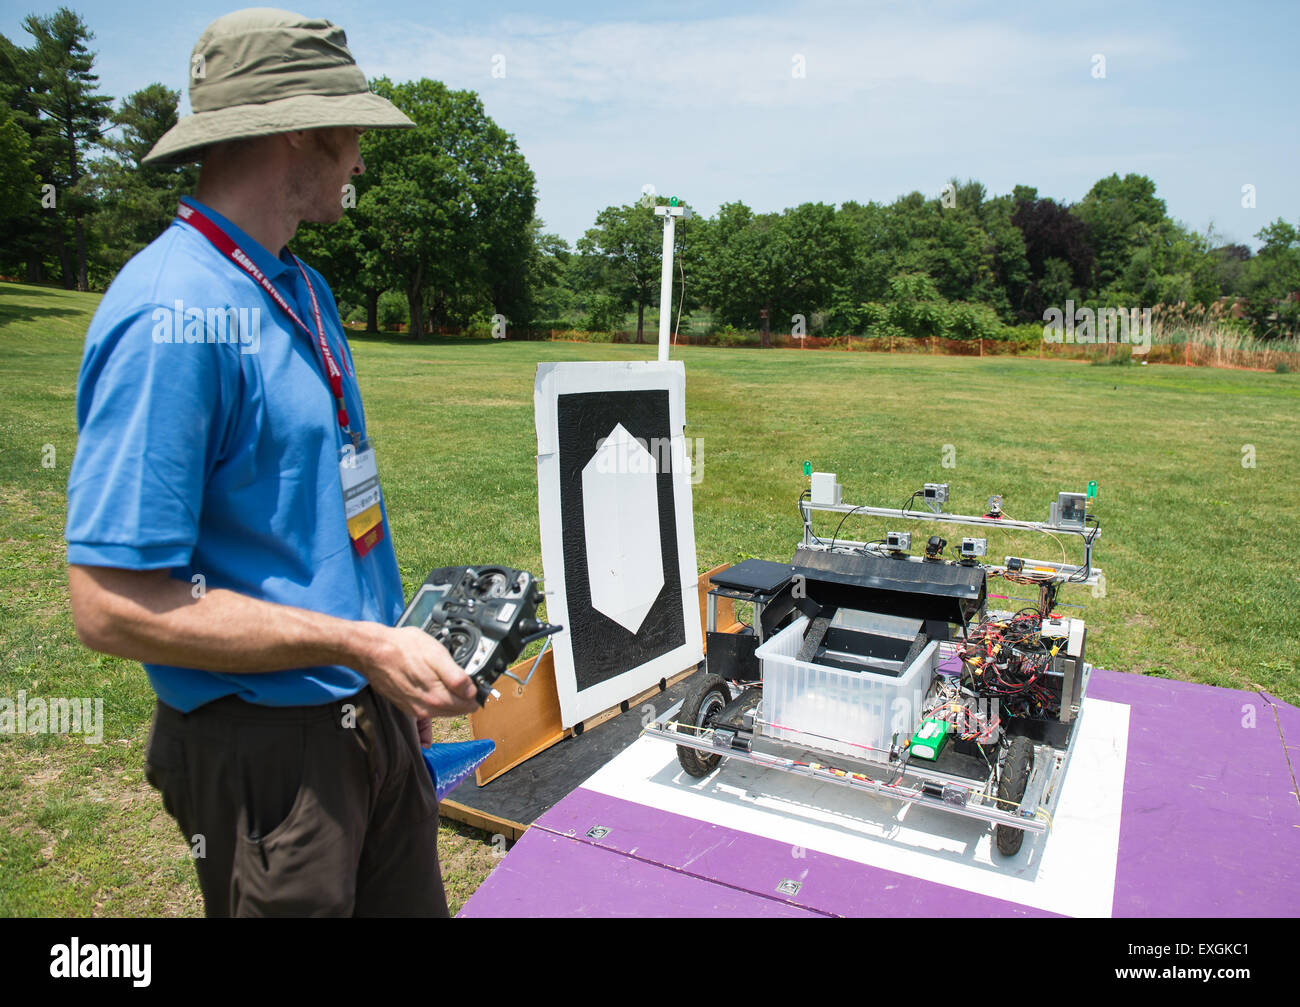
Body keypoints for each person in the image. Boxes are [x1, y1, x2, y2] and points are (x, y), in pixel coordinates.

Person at [64, 7, 479, 917]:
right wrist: (361, 645)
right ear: (298, 125)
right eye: (353, 132)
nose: (362, 160)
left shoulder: (300, 283)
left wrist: (378, 668)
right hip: (267, 749)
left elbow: (327, 512)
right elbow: (110, 604)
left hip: (364, 711)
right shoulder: (168, 313)